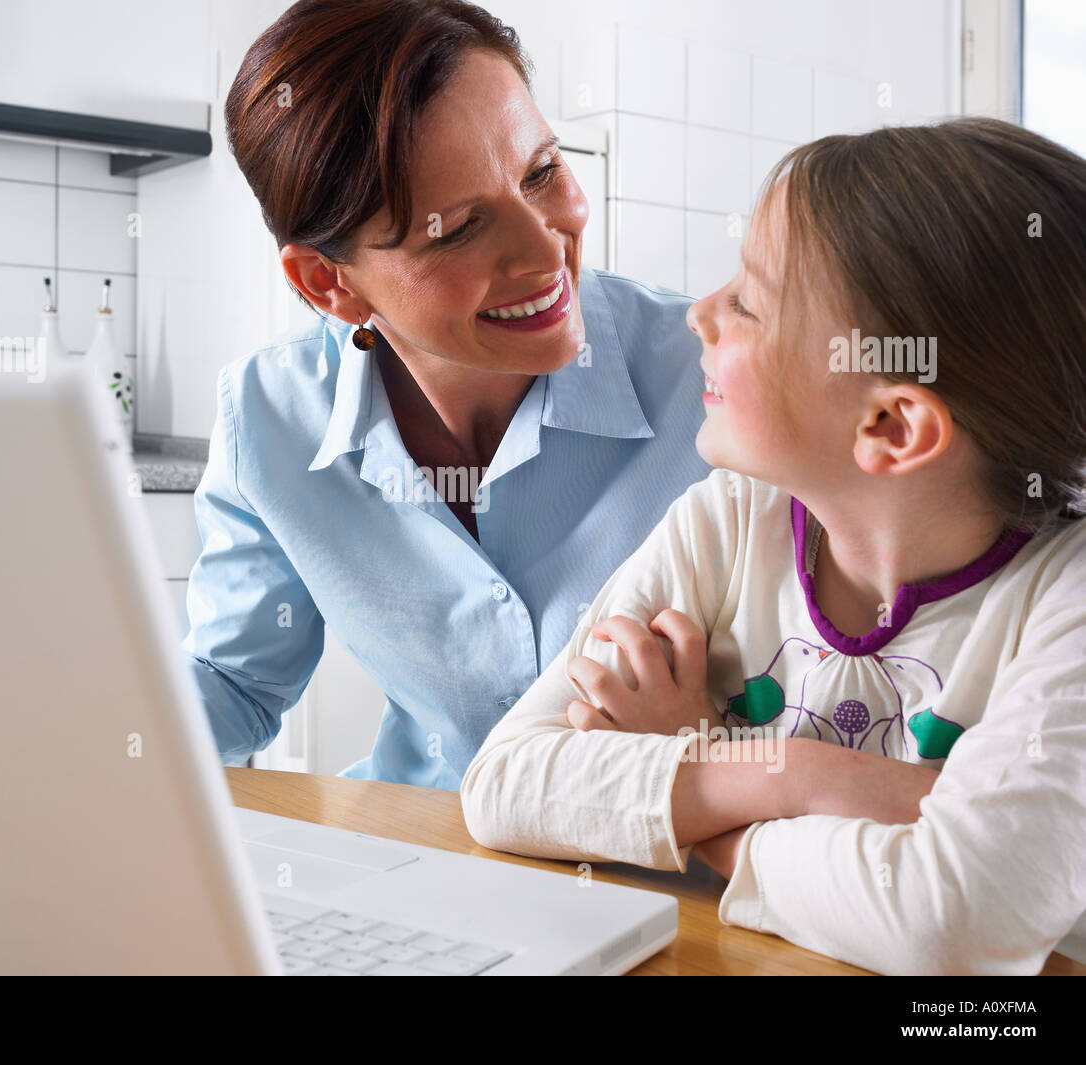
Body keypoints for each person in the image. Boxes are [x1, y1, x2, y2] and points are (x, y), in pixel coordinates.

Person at [460, 117, 1086, 975]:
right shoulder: (726, 522)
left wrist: (694, 779)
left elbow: (952, 920)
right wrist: (784, 770)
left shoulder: (1067, 600)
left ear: (891, 426)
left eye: (748, 300)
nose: (701, 313)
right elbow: (507, 784)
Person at [183, 0, 714, 787]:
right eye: (459, 228)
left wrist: (706, 744)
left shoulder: (717, 381)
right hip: (418, 850)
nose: (546, 251)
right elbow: (232, 686)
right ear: (328, 283)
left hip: (670, 869)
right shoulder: (270, 414)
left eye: (543, 173)